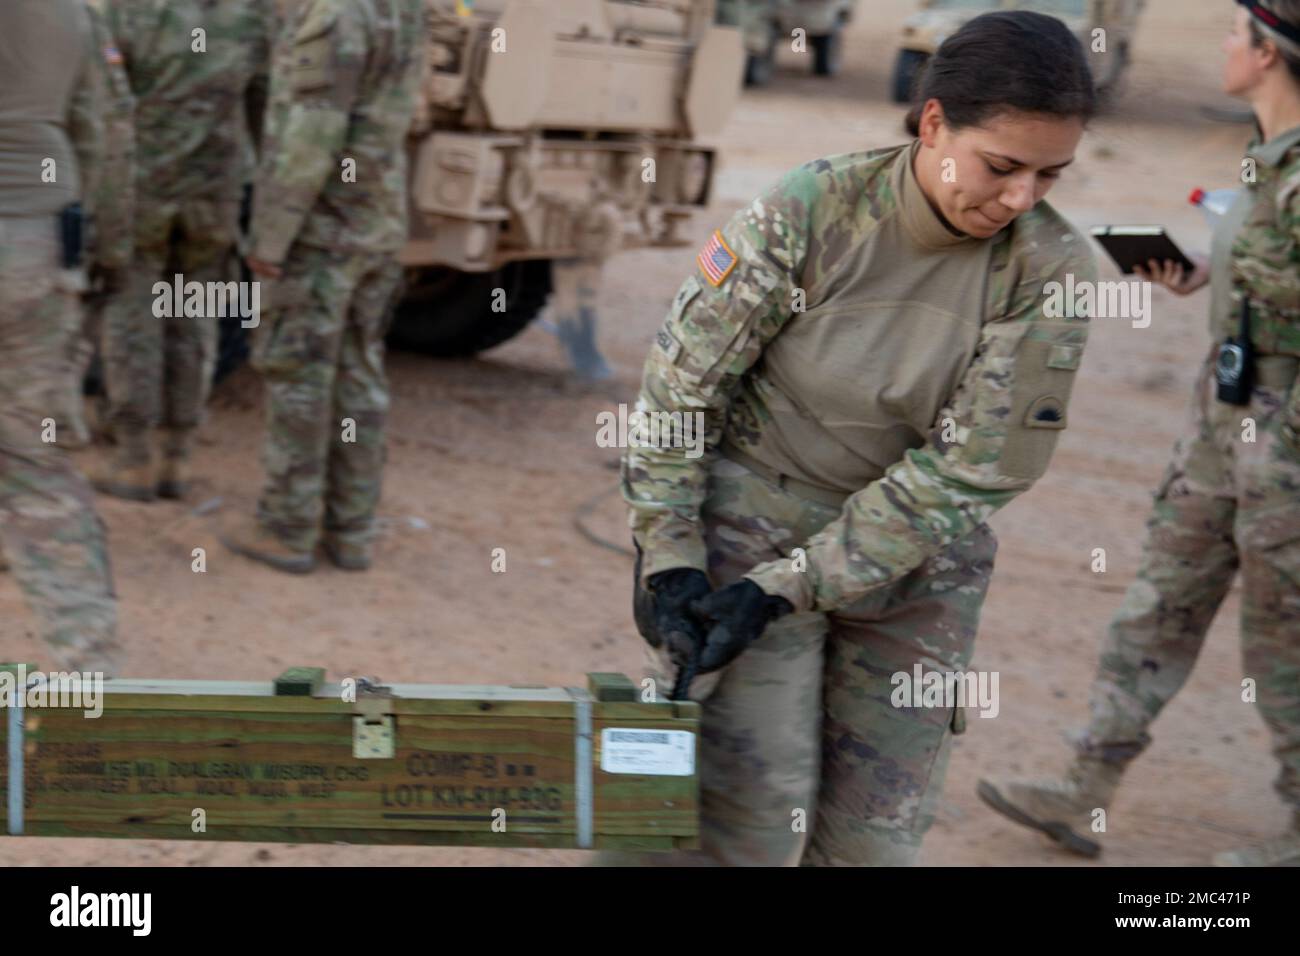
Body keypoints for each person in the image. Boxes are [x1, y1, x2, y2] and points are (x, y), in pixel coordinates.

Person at [620, 11, 1098, 866]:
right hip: (756, 518)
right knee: (745, 823)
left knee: (873, 844)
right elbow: (682, 387)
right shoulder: (815, 209)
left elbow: (973, 471)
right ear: (933, 122)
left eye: (1050, 175)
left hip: (916, 561)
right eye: (1001, 167)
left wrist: (791, 586)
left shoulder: (1052, 271)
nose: (1021, 199)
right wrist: (668, 549)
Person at [979, 0, 1300, 868]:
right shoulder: (1268, 158)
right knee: (1156, 608)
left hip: (1287, 446)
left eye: (1236, 34)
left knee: (1284, 642)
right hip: (1221, 423)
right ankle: (1083, 790)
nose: (1225, 46)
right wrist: (1198, 274)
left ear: (1267, 52)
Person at [221, 0, 427, 574]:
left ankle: (288, 528)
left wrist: (270, 238)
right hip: (376, 225)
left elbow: (312, 134)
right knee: (359, 372)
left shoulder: (334, 14)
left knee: (298, 376)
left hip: (320, 233)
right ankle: (351, 528)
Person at [93, 0, 274, 502]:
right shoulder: (253, 15)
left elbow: (105, 106)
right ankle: (179, 456)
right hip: (215, 197)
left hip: (141, 192)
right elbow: (265, 116)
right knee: (194, 318)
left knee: (133, 318)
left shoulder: (127, 12)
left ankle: (134, 458)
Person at [0, 0, 123, 674]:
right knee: (32, 461)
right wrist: (98, 251)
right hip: (41, 242)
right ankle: (90, 672)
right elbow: (99, 132)